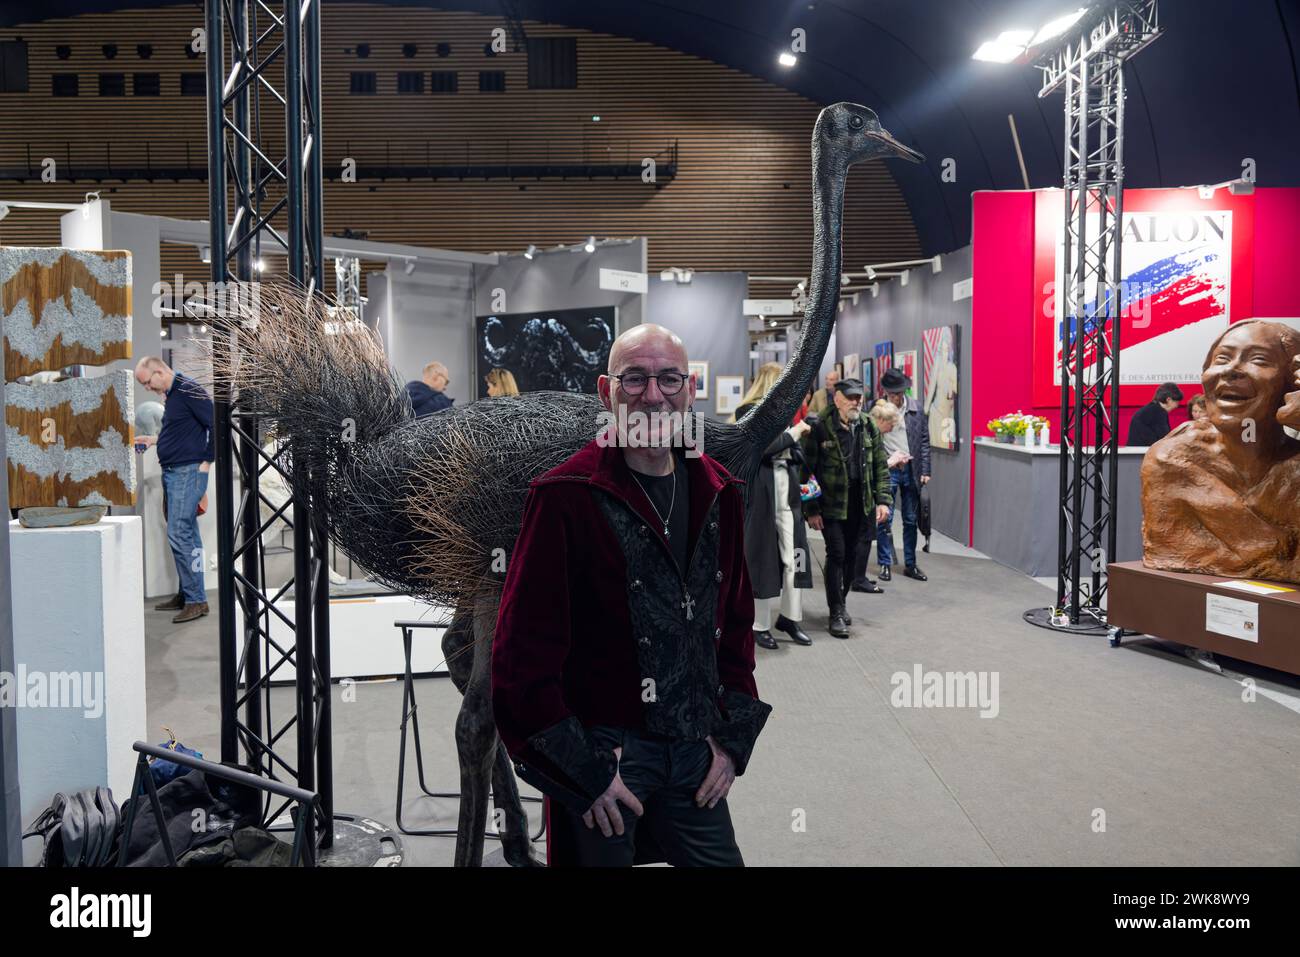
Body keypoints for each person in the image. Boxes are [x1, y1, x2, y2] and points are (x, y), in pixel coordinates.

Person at [492, 323, 770, 867]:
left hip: (694, 750)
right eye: (634, 379)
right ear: (606, 392)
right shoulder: (565, 498)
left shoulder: (720, 493)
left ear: (690, 390)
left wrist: (732, 744)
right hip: (608, 756)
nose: (652, 395)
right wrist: (582, 770)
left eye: (668, 379)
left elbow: (735, 627)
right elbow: (520, 655)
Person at [1142, 320, 1300, 582]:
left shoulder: (1293, 468)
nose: (1231, 370)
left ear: (1292, 384)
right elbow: (1170, 548)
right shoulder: (1171, 461)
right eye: (1222, 358)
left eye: (1259, 360)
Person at [798, 378, 891, 639]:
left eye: (859, 397)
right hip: (831, 505)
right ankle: (836, 611)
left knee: (852, 557)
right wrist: (811, 509)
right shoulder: (820, 426)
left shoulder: (868, 425)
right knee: (837, 553)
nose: (855, 402)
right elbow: (806, 473)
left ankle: (842, 601)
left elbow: (880, 466)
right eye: (850, 397)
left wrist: (883, 500)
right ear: (836, 398)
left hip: (860, 504)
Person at [734, 363, 814, 650]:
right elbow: (761, 448)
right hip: (762, 494)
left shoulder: (785, 413)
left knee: (797, 557)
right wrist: (792, 436)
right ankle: (760, 624)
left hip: (787, 493)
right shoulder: (748, 412)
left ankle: (791, 618)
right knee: (760, 560)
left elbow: (795, 453)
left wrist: (787, 442)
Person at [133, 357, 214, 624]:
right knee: (187, 535)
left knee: (180, 533)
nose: (147, 388)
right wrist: (155, 439)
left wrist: (206, 463)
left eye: (146, 382)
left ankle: (196, 600)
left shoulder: (188, 389)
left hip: (187, 473)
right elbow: (182, 430)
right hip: (176, 473)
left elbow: (216, 425)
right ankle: (189, 594)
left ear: (158, 372)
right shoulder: (174, 394)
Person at [875, 368, 931, 582]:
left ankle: (910, 564)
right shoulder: (879, 410)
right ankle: (885, 563)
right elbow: (873, 440)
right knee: (884, 518)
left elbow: (924, 440)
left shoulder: (916, 408)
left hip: (912, 469)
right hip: (888, 468)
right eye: (892, 393)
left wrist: (926, 470)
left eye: (899, 392)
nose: (896, 397)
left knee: (910, 519)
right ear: (886, 392)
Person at [849, 398, 902, 591]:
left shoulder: (869, 431)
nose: (891, 429)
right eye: (890, 424)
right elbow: (868, 467)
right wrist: (890, 462)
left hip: (866, 494)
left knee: (863, 537)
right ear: (882, 420)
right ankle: (857, 579)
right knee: (862, 537)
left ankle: (857, 576)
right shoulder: (866, 431)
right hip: (862, 495)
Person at [1127, 382, 1183, 446]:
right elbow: (1164, 439)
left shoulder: (1151, 409)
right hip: (1142, 453)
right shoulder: (1158, 413)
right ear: (1168, 400)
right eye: (1177, 402)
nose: (1177, 406)